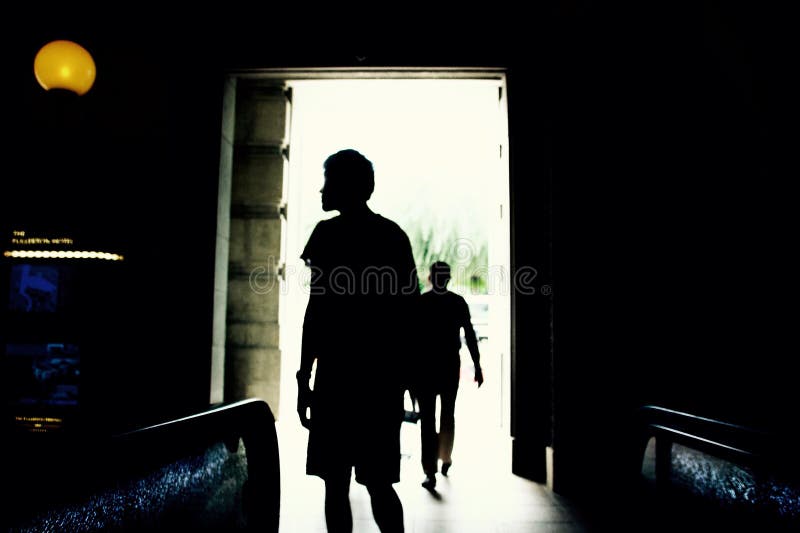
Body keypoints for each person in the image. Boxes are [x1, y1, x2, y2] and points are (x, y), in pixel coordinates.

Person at [296, 149, 419, 533]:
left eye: (327, 180)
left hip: (336, 378)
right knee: (380, 483)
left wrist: (305, 378)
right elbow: (408, 315)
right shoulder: (392, 236)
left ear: (344, 186)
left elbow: (316, 314)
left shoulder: (326, 236)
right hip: (380, 381)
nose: (321, 189)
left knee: (336, 485)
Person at [416, 261, 483, 491]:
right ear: (448, 278)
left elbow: (411, 341)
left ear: (430, 278)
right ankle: (446, 457)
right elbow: (470, 335)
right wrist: (477, 364)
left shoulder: (422, 302)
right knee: (448, 414)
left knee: (427, 418)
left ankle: (429, 470)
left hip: (425, 367)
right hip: (448, 365)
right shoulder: (457, 302)